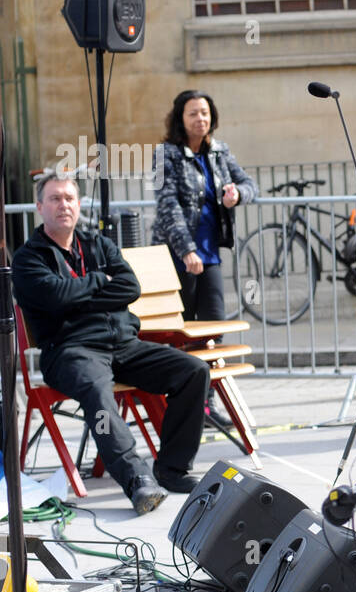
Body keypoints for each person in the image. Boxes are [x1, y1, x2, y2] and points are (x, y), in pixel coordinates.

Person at [13, 173, 211, 512]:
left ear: (78, 205)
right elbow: (55, 295)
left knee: (193, 371)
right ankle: (138, 480)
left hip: (124, 345)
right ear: (40, 206)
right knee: (99, 394)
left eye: (70, 198)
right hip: (71, 351)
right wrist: (99, 282)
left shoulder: (97, 244)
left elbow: (130, 287)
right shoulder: (29, 258)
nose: (64, 205)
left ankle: (172, 469)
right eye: (55, 199)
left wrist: (79, 295)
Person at [151, 89, 257, 426]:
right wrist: (186, 250)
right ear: (180, 119)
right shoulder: (164, 155)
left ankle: (206, 405)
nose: (201, 118)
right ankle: (180, 404)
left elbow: (249, 184)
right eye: (194, 113)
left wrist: (237, 193)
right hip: (177, 256)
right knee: (180, 333)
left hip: (210, 253)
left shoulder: (219, 151)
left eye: (205, 112)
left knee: (213, 329)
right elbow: (167, 206)